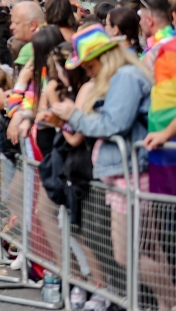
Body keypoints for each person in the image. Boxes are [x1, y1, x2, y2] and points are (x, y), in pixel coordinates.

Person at [51, 25, 152, 289]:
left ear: (101, 59)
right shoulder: (122, 76)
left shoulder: (126, 77)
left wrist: (72, 114)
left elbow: (111, 125)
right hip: (123, 172)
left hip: (130, 173)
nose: (87, 72)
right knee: (146, 249)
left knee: (127, 253)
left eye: (88, 66)